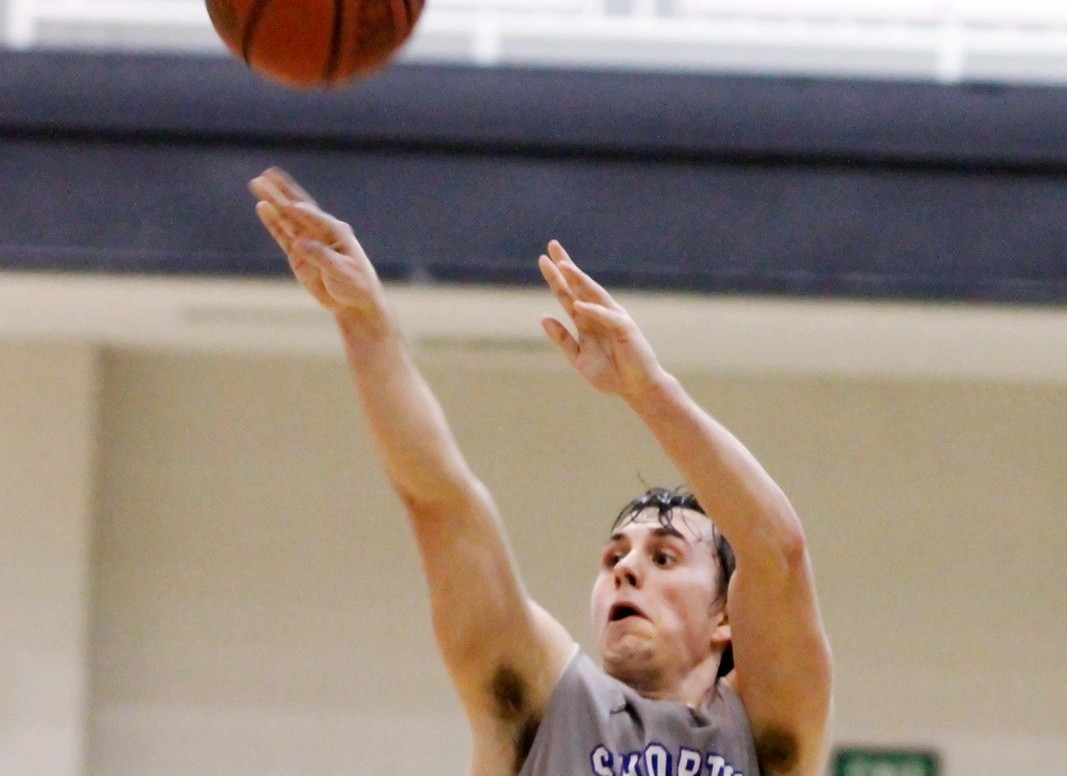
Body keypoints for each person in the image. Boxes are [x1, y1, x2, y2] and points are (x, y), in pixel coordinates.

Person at [249, 167, 833, 776]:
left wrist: (650, 392)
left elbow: (778, 552)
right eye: (613, 559)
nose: (626, 570)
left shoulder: (765, 732)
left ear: (723, 618)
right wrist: (366, 326)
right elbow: (442, 504)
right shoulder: (545, 703)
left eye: (663, 557)